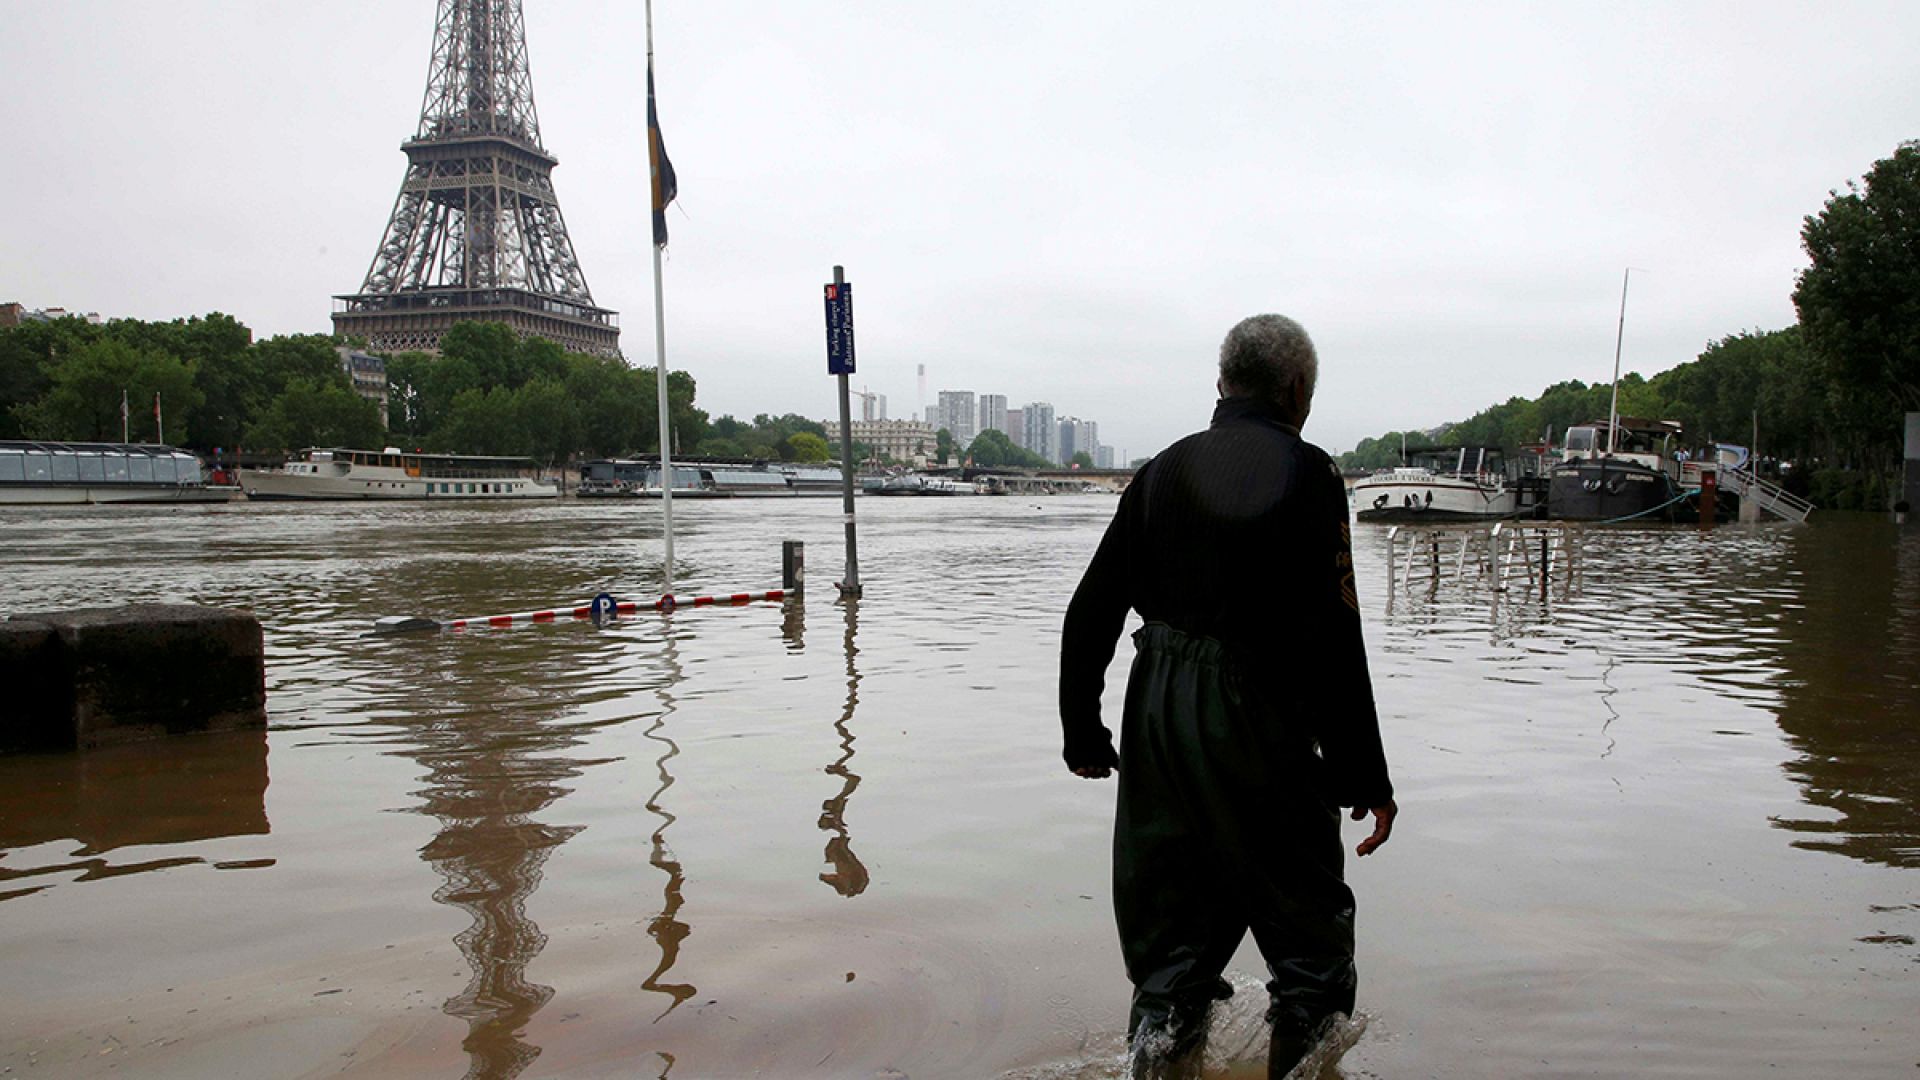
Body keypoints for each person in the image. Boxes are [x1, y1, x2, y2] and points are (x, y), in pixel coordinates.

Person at [1057, 314, 1397, 1079]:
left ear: (1221, 385)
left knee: (1171, 951)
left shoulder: (1160, 472)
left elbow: (1091, 611)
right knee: (1309, 948)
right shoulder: (1310, 472)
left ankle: (1156, 1067)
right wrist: (1363, 776)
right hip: (1256, 711)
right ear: (1298, 389)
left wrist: (1084, 732)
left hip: (1157, 713)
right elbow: (1335, 637)